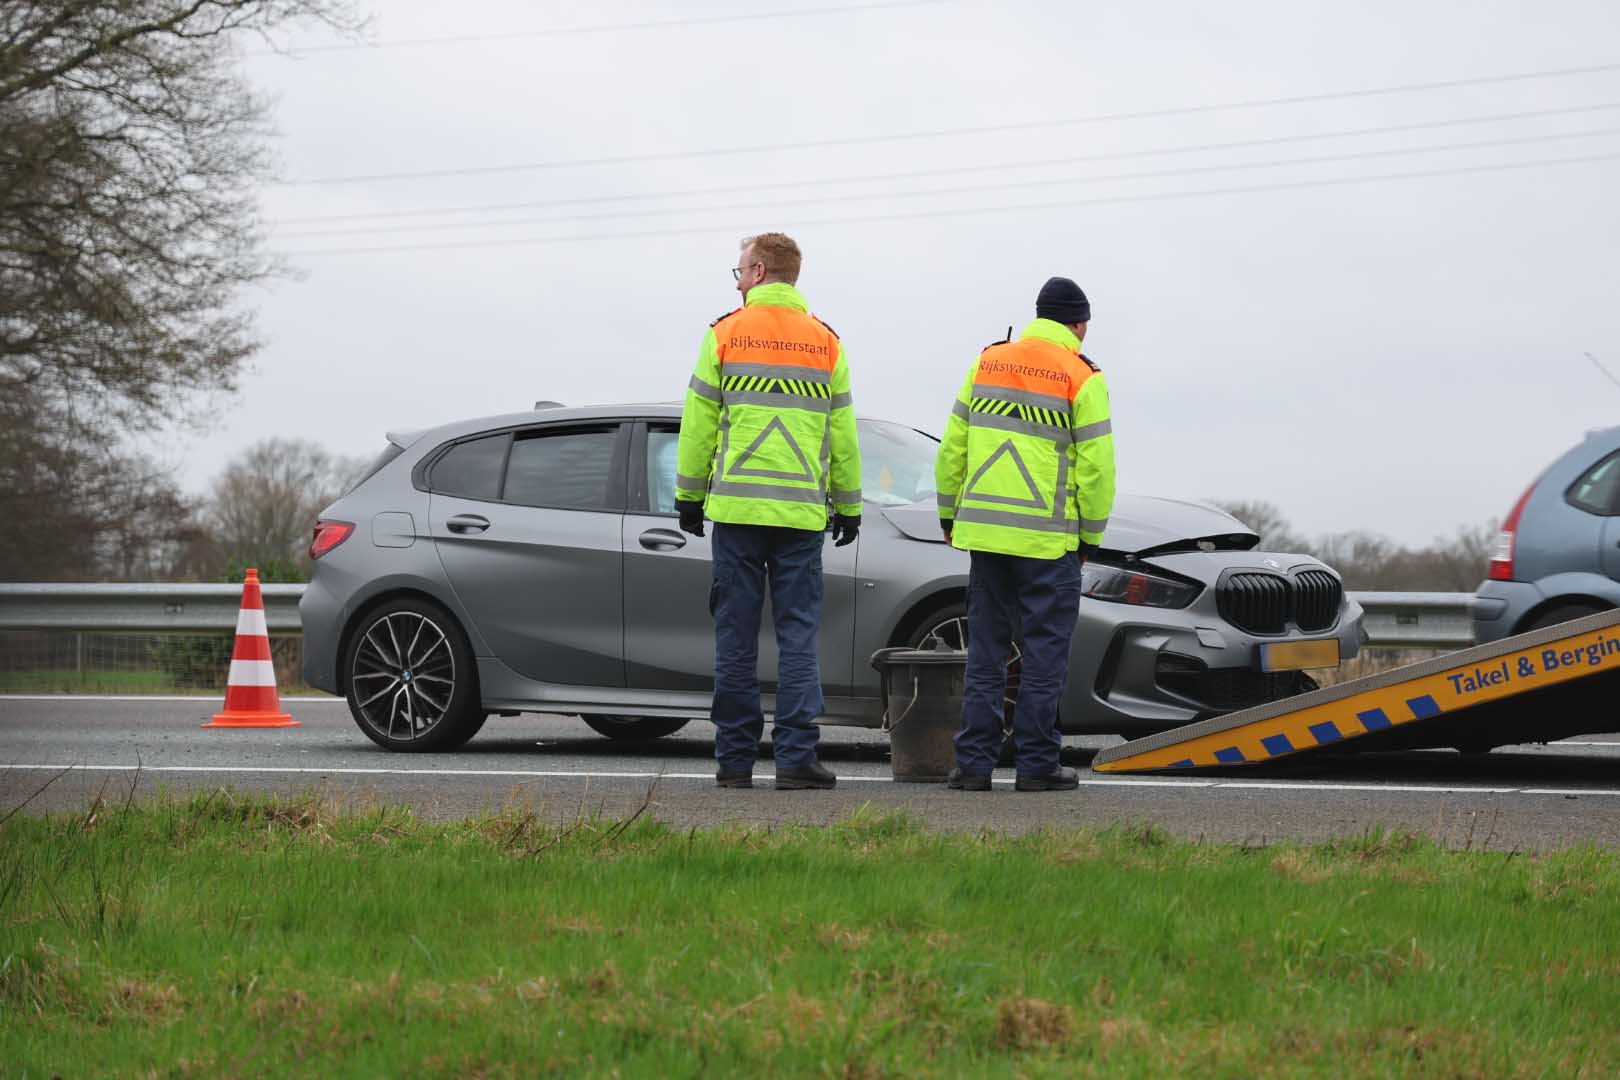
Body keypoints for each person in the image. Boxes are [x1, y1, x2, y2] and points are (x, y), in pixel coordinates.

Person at [674, 232, 862, 790]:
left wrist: (689, 496)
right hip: (800, 515)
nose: (737, 281)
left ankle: (734, 761)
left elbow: (699, 424)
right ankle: (796, 759)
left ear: (758, 271)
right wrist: (849, 506)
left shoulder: (724, 334)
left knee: (735, 636)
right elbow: (843, 435)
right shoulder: (826, 342)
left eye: (739, 271)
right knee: (798, 635)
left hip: (737, 512)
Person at [934, 276, 1116, 791]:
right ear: (1079, 324)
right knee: (1043, 656)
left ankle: (973, 766)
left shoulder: (987, 362)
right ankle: (1036, 766)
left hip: (988, 537)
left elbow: (953, 448)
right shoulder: (1082, 376)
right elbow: (1097, 470)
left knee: (986, 654)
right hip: (1048, 541)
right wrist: (1090, 538)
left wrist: (949, 515)